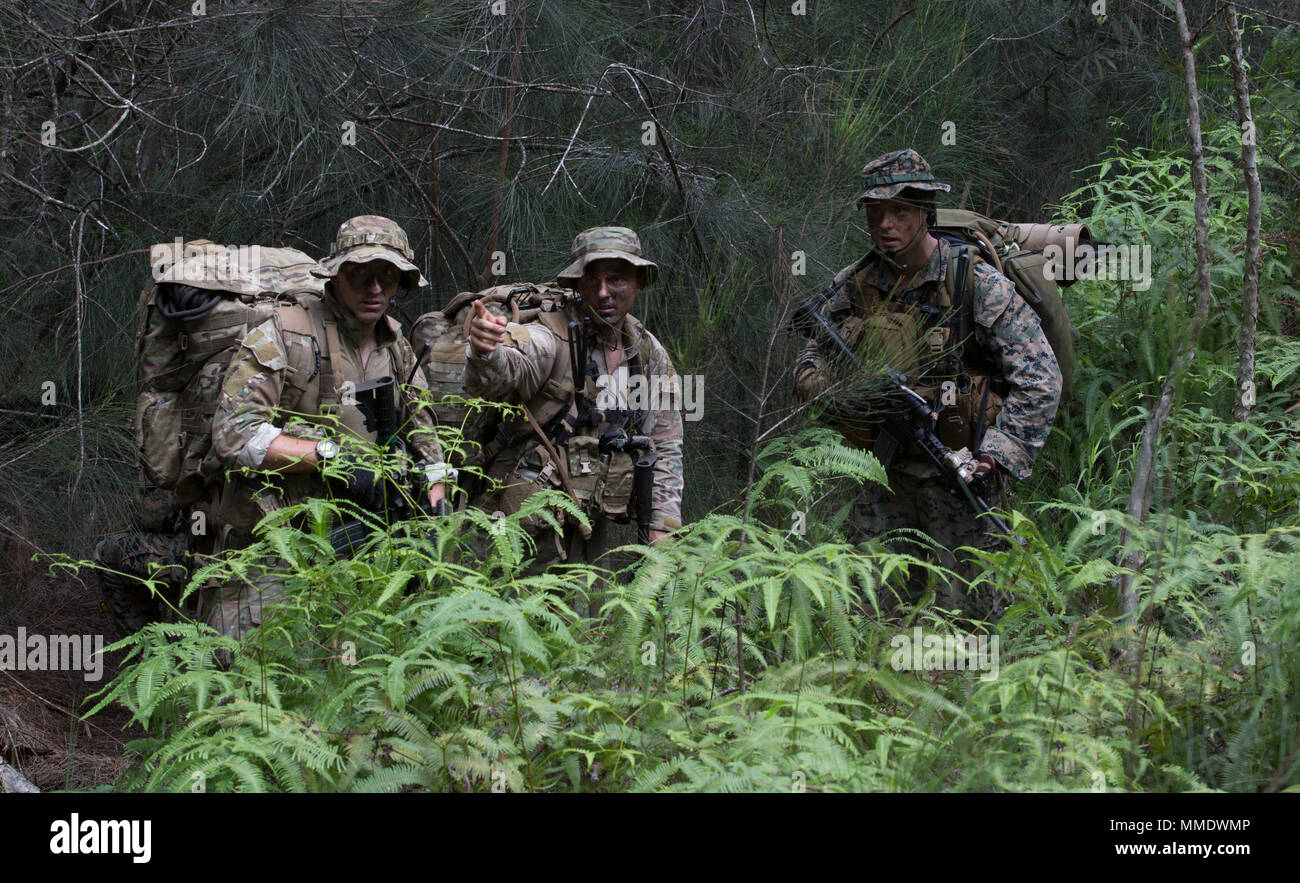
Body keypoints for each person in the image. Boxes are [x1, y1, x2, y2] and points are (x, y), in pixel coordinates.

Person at [795, 149, 1062, 617]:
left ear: (926, 213)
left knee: (974, 619)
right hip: (880, 476)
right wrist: (839, 394)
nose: (885, 224)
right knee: (872, 618)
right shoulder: (855, 284)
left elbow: (1041, 379)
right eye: (876, 213)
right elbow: (810, 356)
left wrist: (997, 456)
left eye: (899, 211)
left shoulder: (972, 283)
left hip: (958, 474)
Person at [206, 215, 450, 639]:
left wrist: (433, 504)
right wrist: (330, 458)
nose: (375, 289)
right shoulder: (285, 332)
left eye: (387, 277)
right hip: (281, 536)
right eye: (361, 275)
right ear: (336, 275)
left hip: (368, 538)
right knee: (258, 667)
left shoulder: (397, 347)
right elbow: (233, 433)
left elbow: (425, 432)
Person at [463, 226, 683, 569]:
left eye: (617, 279)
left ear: (639, 281)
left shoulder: (647, 354)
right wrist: (485, 349)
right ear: (577, 284)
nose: (603, 292)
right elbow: (511, 362)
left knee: (585, 621)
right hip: (512, 526)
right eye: (591, 280)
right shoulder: (552, 337)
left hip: (587, 529)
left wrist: (662, 525)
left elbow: (665, 443)